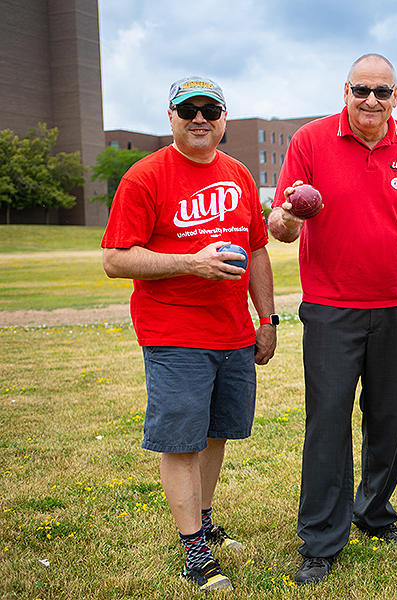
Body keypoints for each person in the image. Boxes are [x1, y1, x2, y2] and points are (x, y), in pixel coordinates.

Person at [267, 53, 397, 585]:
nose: (372, 100)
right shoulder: (311, 141)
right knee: (327, 422)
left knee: (387, 419)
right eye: (362, 90)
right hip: (331, 307)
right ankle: (321, 540)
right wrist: (285, 217)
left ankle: (372, 513)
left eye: (384, 91)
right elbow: (281, 222)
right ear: (345, 90)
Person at [101, 76, 277, 591]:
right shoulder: (145, 176)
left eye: (210, 109)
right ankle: (194, 549)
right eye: (188, 109)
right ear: (172, 117)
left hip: (232, 331)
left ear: (223, 118)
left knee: (217, 432)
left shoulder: (240, 174)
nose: (199, 118)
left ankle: (202, 518)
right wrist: (190, 264)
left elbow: (259, 250)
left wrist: (265, 320)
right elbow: (115, 258)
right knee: (181, 441)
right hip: (174, 330)